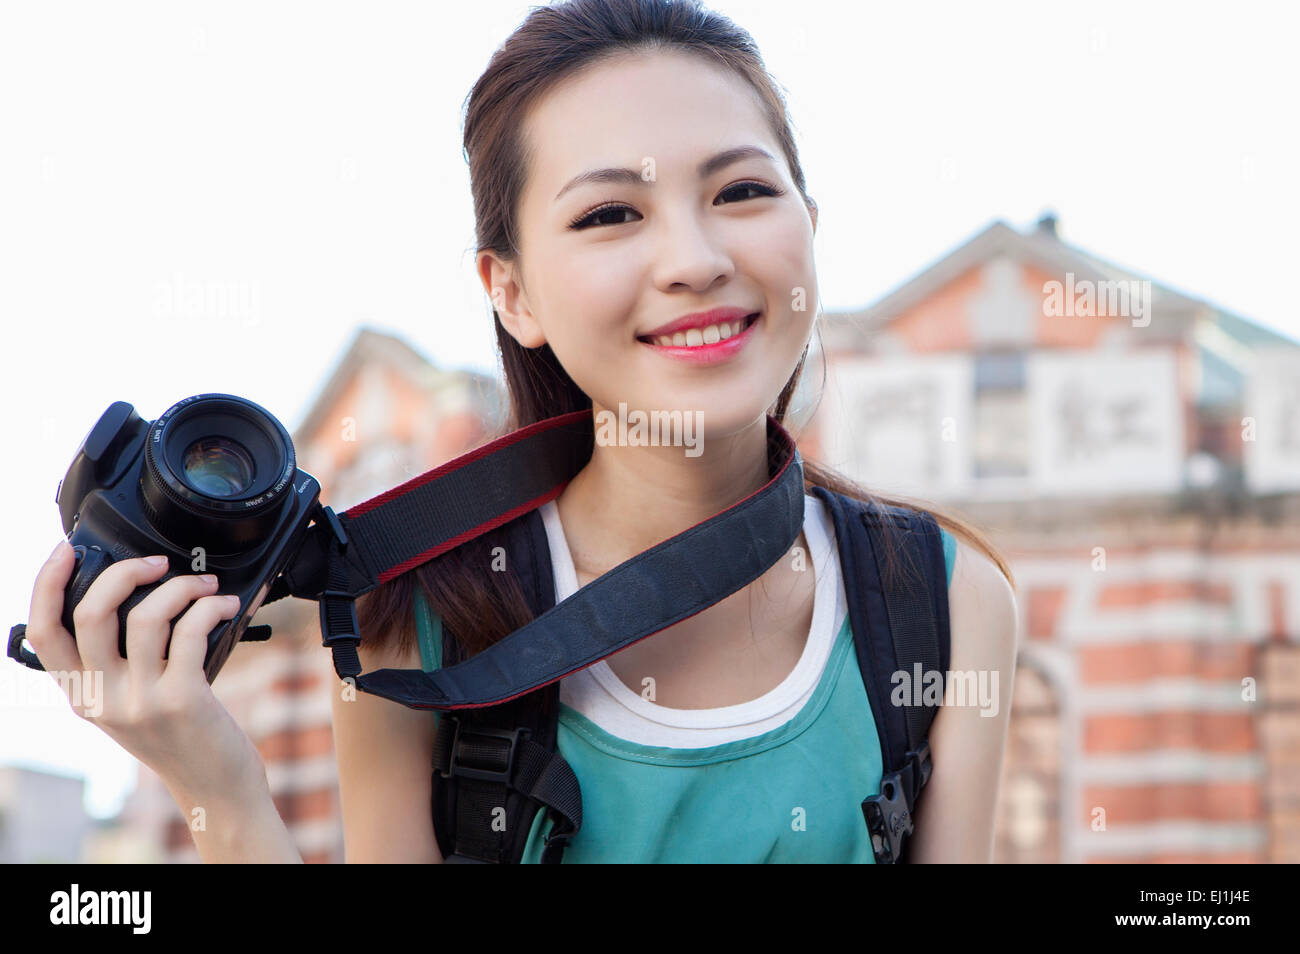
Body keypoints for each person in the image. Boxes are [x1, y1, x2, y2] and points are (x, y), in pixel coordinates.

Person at [24, 0, 1018, 864]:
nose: (694, 257)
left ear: (810, 219)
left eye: (742, 192)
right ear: (511, 292)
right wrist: (213, 779)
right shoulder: (417, 621)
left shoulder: (939, 599)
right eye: (609, 215)